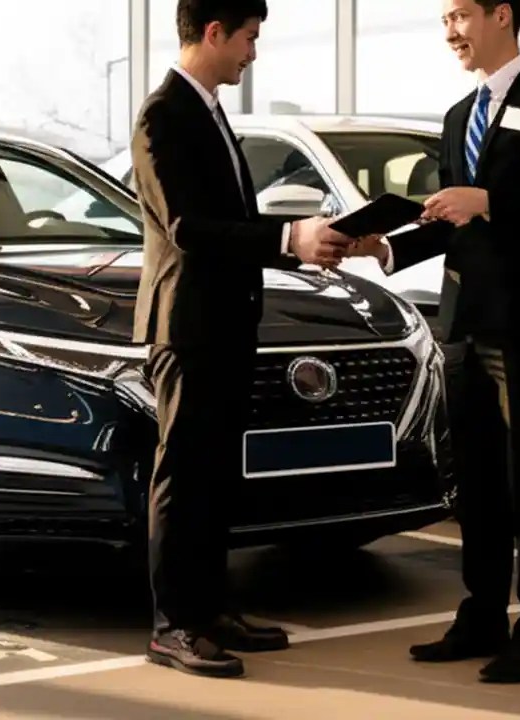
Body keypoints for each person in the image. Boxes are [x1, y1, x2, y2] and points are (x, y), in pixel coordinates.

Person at [348, 0, 520, 684]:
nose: (450, 32)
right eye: (444, 20)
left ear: (502, 15)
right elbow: (450, 219)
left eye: (459, 16)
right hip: (462, 325)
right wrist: (386, 247)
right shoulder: (460, 116)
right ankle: (481, 613)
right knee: (477, 482)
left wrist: (487, 201)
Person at [132, 0, 354, 679]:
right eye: (249, 38)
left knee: (218, 477)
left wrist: (309, 247)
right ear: (214, 32)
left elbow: (233, 224)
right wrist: (289, 236)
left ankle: (209, 609)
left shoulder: (209, 111)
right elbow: (189, 228)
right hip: (188, 326)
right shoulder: (163, 115)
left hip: (227, 321)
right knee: (184, 476)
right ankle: (173, 626)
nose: (253, 53)